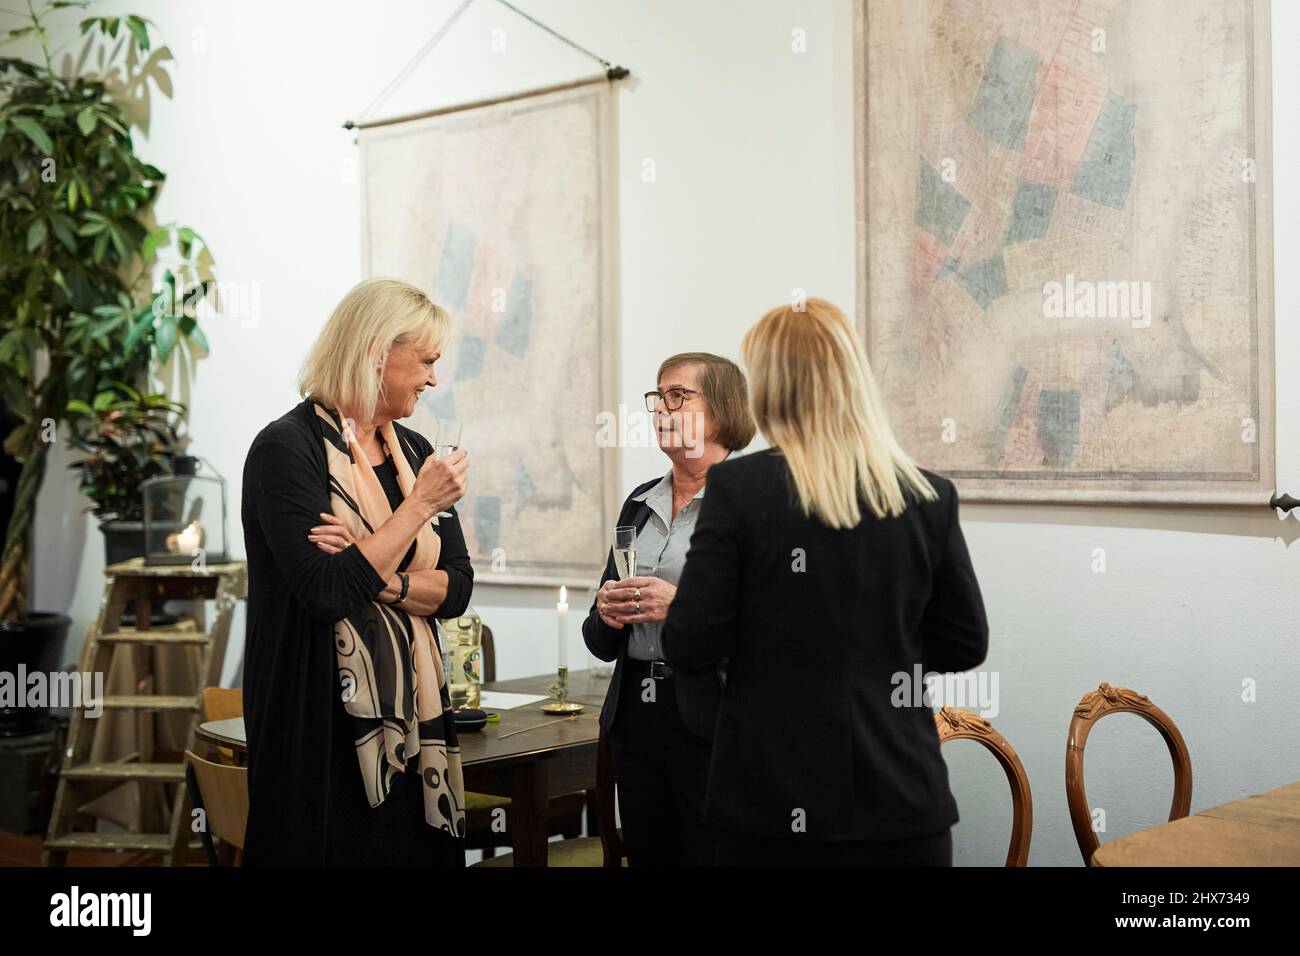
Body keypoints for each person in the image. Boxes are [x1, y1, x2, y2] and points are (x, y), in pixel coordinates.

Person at [661, 299, 988, 866]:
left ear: (770, 387)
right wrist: (881, 657)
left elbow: (689, 642)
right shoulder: (927, 494)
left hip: (769, 802)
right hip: (902, 802)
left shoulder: (740, 488)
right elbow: (964, 643)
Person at [241, 277, 472, 865]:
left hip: (417, 725)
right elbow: (327, 592)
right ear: (375, 352)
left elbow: (458, 587)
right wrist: (417, 508)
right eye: (425, 361)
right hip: (319, 724)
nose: (432, 379)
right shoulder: (286, 450)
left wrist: (376, 563)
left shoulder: (415, 451)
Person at [582, 352, 755, 866]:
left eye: (678, 396)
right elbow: (597, 636)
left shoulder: (753, 503)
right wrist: (607, 611)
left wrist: (682, 606)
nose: (662, 408)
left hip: (713, 714)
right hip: (637, 713)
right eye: (657, 397)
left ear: (722, 410)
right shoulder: (640, 502)